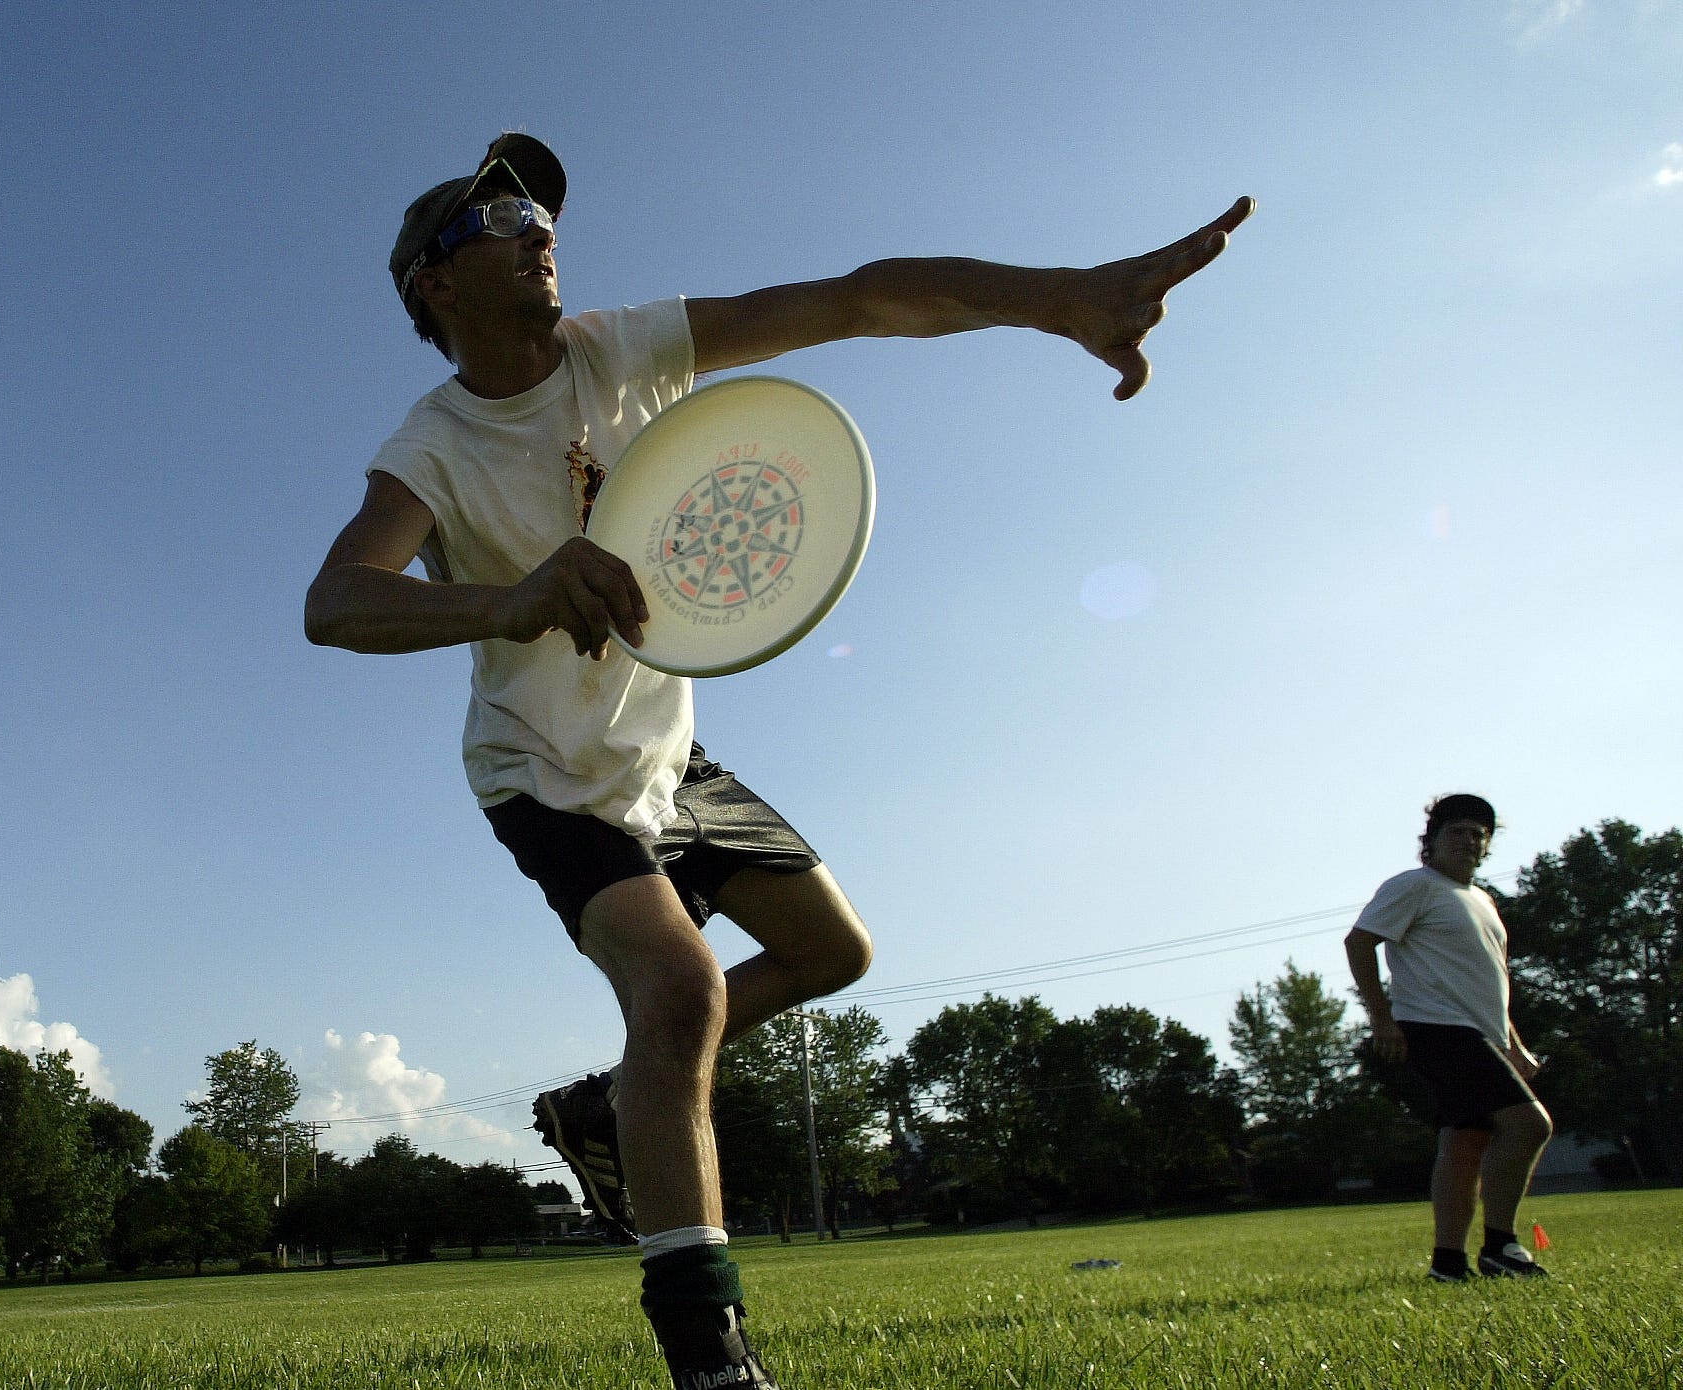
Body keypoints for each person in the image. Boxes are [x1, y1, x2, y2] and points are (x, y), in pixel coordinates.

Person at [305, 131, 1251, 1389]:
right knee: (683, 988)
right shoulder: (429, 445)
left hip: (671, 758)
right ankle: (708, 1351)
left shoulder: (620, 345)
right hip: (546, 771)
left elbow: (854, 297)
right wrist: (509, 597)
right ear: (432, 281)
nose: (537, 227)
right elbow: (335, 602)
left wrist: (1054, 299)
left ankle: (604, 1108)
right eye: (497, 218)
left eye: (539, 208)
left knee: (831, 953)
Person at [1344, 793, 1554, 1283]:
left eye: (1478, 835)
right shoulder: (1414, 886)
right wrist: (1382, 1018)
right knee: (1529, 1125)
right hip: (1435, 1028)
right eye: (1456, 832)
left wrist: (1513, 1043)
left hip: (1479, 1034)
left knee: (1466, 1141)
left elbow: (1490, 979)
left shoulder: (1482, 901)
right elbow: (1359, 942)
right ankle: (1502, 1247)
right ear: (1432, 841)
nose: (1468, 841)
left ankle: (1447, 1264)